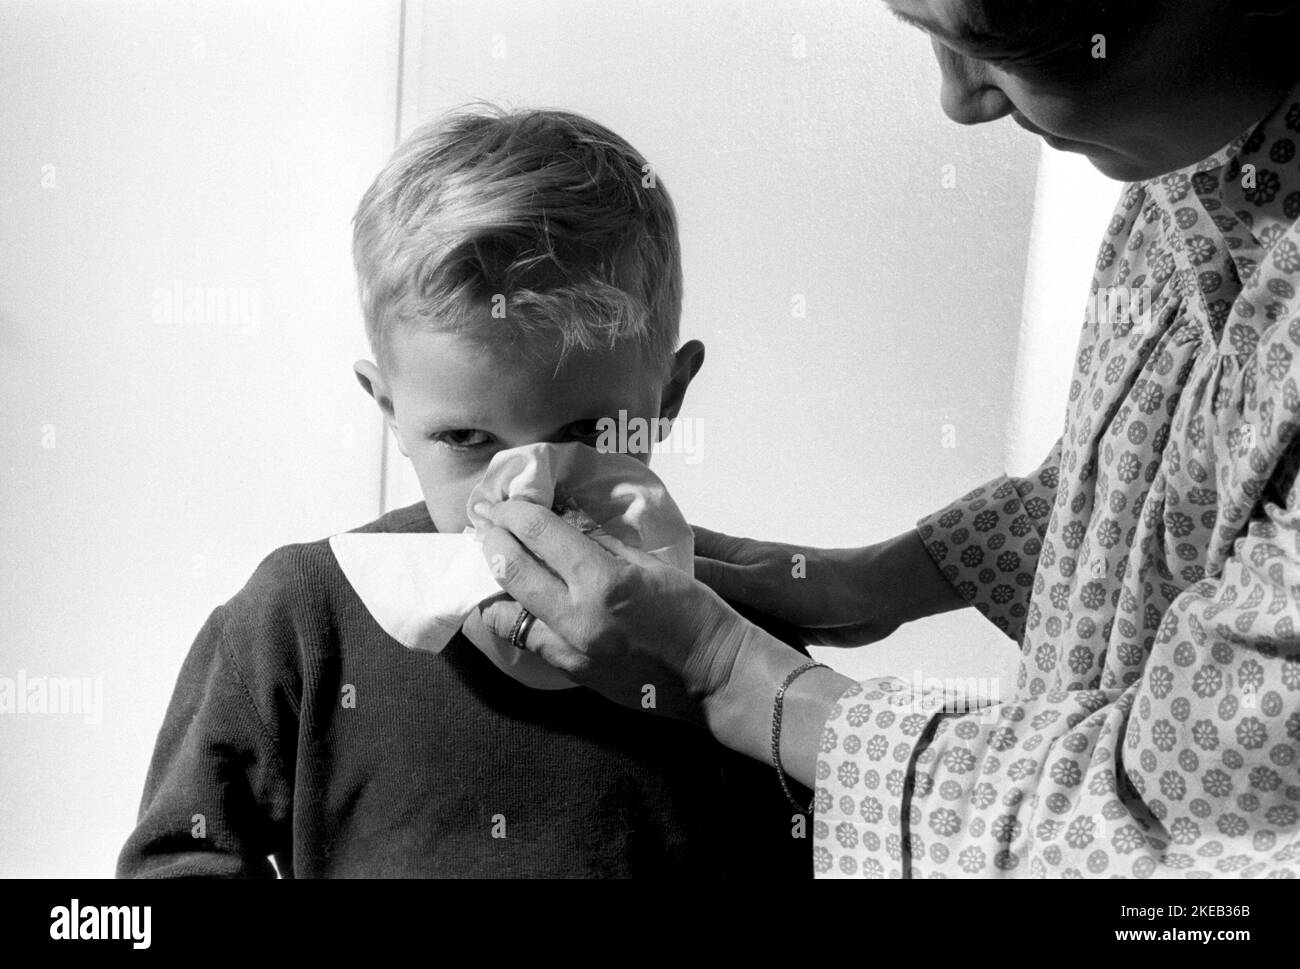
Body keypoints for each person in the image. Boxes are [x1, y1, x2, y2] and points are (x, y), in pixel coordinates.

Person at [476, 0, 1300, 877]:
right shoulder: (1188, 175)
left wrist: (724, 669)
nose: (958, 102)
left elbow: (1168, 831)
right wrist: (872, 579)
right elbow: (1155, 488)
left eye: (1008, 45)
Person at [117, 106, 811, 878]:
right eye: (467, 441)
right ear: (390, 411)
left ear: (669, 397)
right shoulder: (304, 616)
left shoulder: (750, 647)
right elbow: (177, 862)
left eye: (584, 431)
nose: (528, 499)